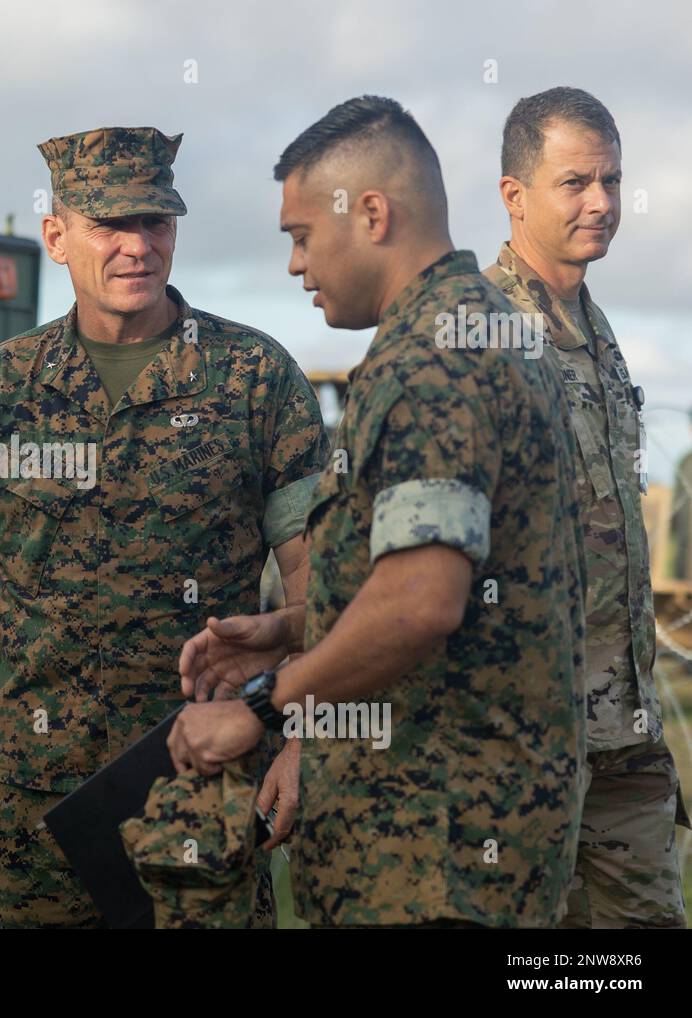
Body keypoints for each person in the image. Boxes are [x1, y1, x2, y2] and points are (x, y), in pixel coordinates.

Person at [0, 126, 326, 927]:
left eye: (155, 223)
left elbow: (315, 578)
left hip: (202, 778)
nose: (137, 247)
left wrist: (300, 745)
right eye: (109, 225)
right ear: (56, 236)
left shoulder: (255, 380)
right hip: (34, 794)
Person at [171, 96, 588, 927]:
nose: (295, 264)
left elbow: (421, 603)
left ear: (371, 214)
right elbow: (462, 579)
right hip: (457, 834)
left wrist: (260, 708)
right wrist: (297, 625)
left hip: (431, 852)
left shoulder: (434, 358)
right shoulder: (488, 329)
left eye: (299, 235)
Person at [484, 86, 688, 928]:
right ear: (515, 193)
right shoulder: (477, 335)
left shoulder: (598, 333)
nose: (601, 202)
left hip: (626, 739)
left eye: (610, 180)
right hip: (524, 749)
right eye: (574, 182)